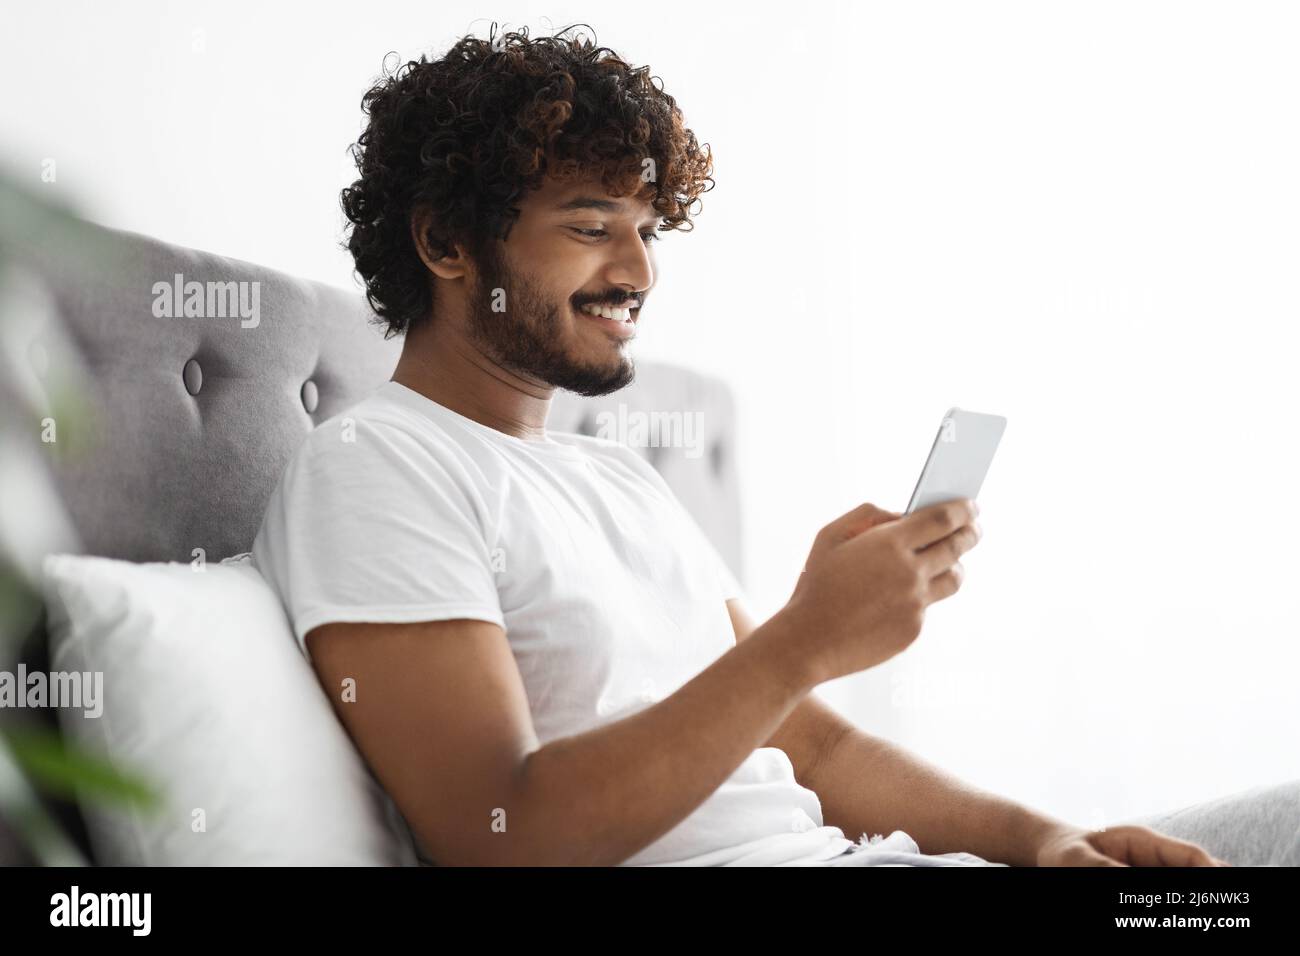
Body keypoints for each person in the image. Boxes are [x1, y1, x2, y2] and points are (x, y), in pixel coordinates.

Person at [253, 24, 1294, 867]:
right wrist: (802, 636)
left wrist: (1045, 836)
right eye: (589, 224)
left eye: (648, 229)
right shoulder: (376, 467)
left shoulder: (615, 475)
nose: (639, 272)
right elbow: (499, 832)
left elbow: (813, 741)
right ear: (444, 242)